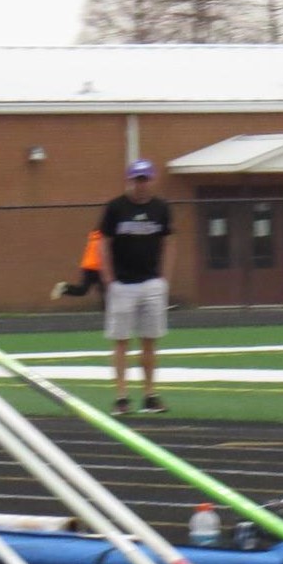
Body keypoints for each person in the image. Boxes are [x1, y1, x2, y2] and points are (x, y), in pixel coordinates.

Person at [99, 159, 174, 417]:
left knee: (150, 341)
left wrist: (165, 277)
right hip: (123, 283)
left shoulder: (161, 208)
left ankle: (150, 394)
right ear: (130, 181)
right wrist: (108, 277)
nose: (141, 185)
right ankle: (121, 397)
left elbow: (169, 240)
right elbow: (104, 242)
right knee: (121, 341)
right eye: (137, 180)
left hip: (151, 282)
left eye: (145, 179)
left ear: (151, 180)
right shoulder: (116, 208)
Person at [50, 229, 105, 300]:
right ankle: (108, 308)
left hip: (87, 267)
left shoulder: (94, 238)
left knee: (82, 290)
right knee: (105, 290)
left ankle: (65, 288)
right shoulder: (104, 239)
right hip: (98, 267)